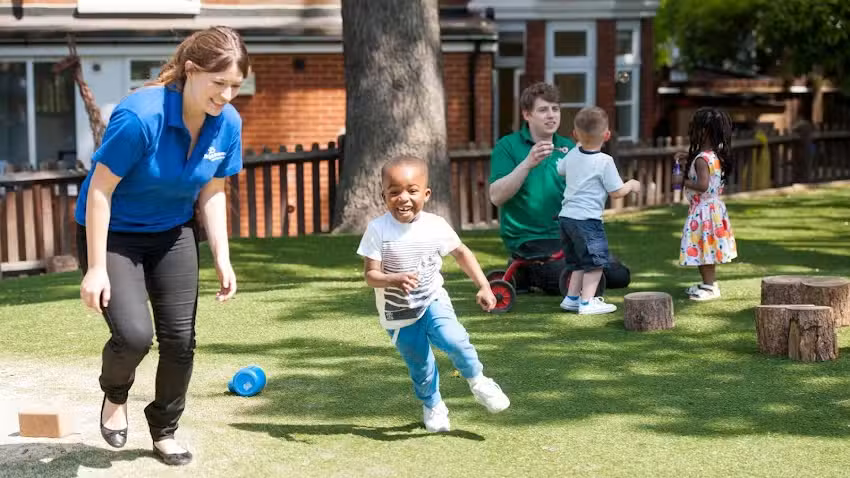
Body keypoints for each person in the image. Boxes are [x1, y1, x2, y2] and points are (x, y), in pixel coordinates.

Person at [75, 26, 248, 466]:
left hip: (172, 231)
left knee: (180, 340)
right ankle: (116, 393)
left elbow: (212, 190)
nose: (227, 95)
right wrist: (96, 268)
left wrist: (222, 257)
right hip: (114, 233)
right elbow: (100, 191)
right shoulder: (141, 116)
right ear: (191, 70)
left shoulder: (227, 123)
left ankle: (165, 429)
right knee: (134, 336)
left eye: (235, 85)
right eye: (219, 83)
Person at [356, 156, 510, 433]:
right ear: (383, 196)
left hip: (432, 300)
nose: (403, 198)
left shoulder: (435, 225)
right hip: (398, 314)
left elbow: (461, 253)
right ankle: (433, 405)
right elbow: (370, 275)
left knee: (455, 340)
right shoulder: (377, 230)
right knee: (420, 365)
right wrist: (393, 279)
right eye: (394, 192)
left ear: (426, 194)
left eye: (412, 191)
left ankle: (479, 382)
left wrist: (484, 285)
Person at [488, 82, 576, 293]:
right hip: (527, 237)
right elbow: (496, 197)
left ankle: (524, 273)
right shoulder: (507, 146)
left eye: (555, 109)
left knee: (616, 274)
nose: (551, 115)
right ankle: (525, 270)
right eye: (543, 110)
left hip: (565, 234)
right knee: (567, 281)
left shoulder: (569, 147)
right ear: (527, 114)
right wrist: (527, 163)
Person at [557, 107, 641, 314]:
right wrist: (631, 184)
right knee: (596, 263)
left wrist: (577, 148)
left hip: (566, 218)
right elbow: (617, 192)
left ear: (575, 134)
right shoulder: (605, 161)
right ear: (607, 135)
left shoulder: (573, 154)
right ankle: (587, 302)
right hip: (587, 221)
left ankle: (571, 298)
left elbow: (560, 170)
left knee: (578, 263)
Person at [673, 107, 738, 300]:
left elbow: (702, 185)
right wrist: (690, 159)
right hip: (713, 209)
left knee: (705, 250)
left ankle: (710, 287)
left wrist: (682, 181)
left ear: (704, 131)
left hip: (704, 211)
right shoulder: (713, 155)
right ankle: (707, 283)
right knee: (704, 248)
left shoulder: (702, 160)